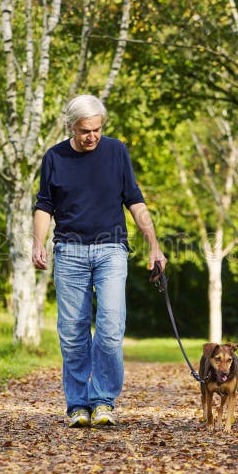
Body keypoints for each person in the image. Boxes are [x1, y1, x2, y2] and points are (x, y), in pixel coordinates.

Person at [32, 94, 167, 428]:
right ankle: (78, 404)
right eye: (84, 131)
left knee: (109, 327)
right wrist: (38, 243)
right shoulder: (54, 158)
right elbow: (44, 205)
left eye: (97, 129)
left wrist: (154, 245)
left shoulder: (116, 151)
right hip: (70, 251)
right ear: (70, 127)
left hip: (111, 250)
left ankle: (103, 400)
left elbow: (135, 201)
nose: (92, 136)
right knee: (74, 332)